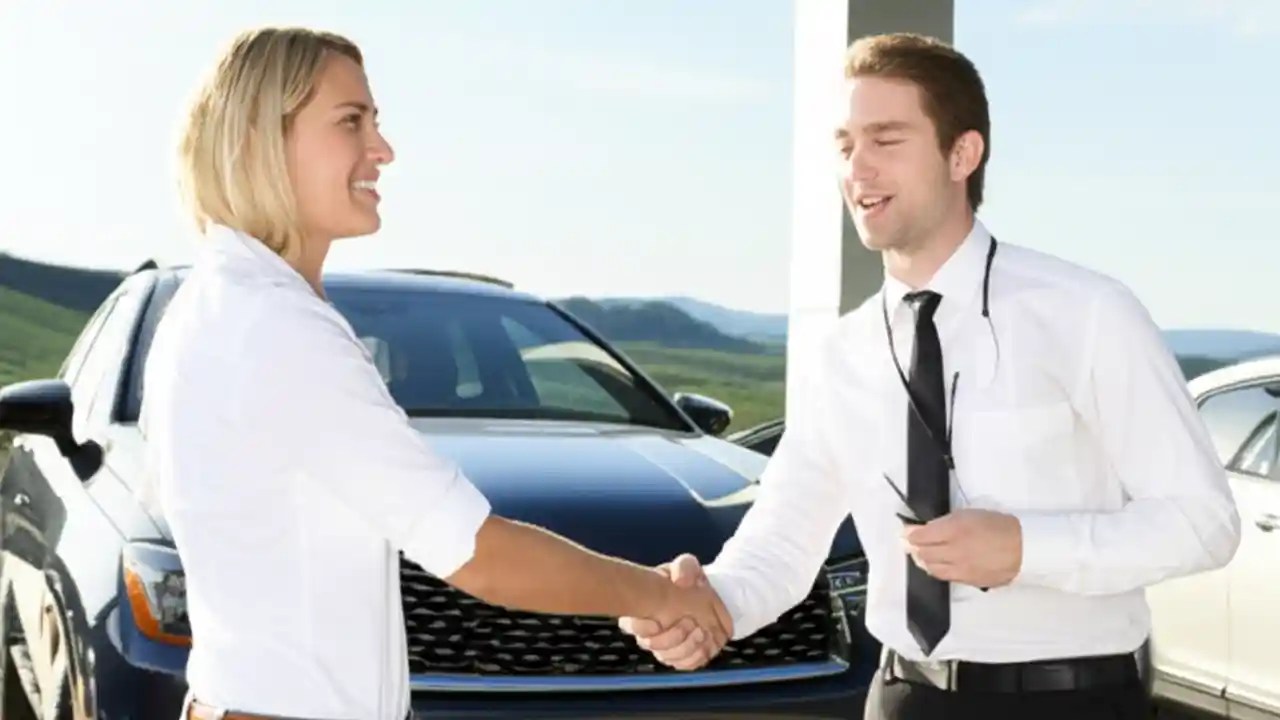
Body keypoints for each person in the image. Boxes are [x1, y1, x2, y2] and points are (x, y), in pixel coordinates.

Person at [618, 32, 1241, 720]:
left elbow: (1202, 522)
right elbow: (784, 540)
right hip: (902, 696)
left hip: (1072, 701)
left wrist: (1027, 547)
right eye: (845, 144)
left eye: (886, 140)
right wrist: (708, 603)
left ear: (961, 154)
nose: (857, 169)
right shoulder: (843, 351)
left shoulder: (1088, 313)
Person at [139, 27, 730, 720]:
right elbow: (475, 552)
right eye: (350, 121)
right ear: (256, 139)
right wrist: (658, 595)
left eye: (376, 123)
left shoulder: (216, 304)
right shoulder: (276, 329)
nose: (381, 150)